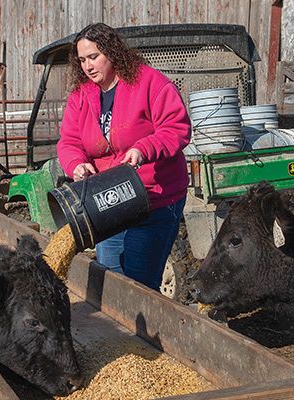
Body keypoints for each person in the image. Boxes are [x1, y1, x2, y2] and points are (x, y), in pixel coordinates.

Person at [56, 23, 191, 291]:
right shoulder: (81, 96)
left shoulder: (150, 83)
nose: (87, 66)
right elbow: (69, 141)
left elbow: (177, 128)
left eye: (93, 57)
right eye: (82, 60)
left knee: (140, 284)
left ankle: (149, 332)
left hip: (153, 198)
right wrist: (77, 164)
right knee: (113, 283)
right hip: (108, 201)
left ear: (113, 53)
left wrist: (144, 148)